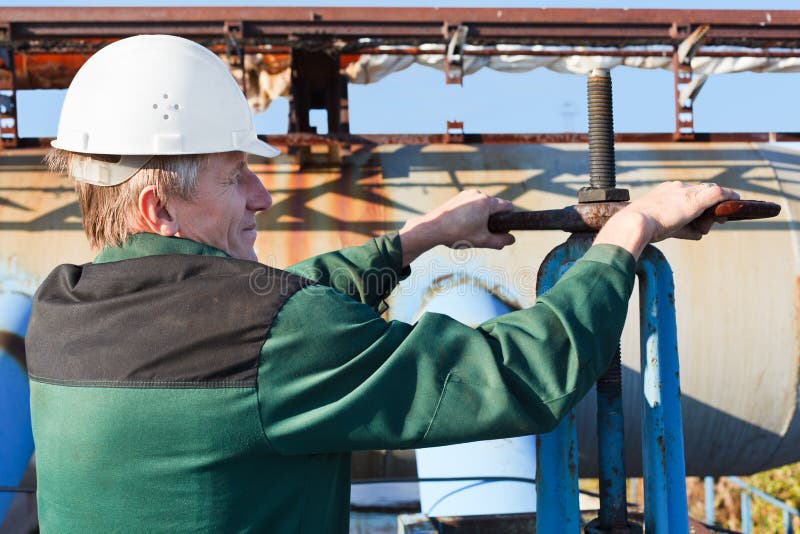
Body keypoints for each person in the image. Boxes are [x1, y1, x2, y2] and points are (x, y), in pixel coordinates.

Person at [25, 35, 738, 533]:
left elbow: (261, 317)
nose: (260, 196)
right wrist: (627, 234)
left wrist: (416, 240)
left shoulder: (62, 310)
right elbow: (524, 372)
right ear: (159, 207)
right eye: (233, 174)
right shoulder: (270, 335)